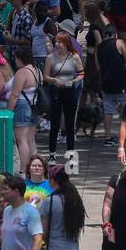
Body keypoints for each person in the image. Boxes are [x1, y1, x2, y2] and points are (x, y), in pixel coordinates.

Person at [44, 22, 84, 158]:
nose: (57, 45)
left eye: (60, 42)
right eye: (56, 42)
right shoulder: (51, 58)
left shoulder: (74, 57)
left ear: (66, 43)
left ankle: (71, 155)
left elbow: (81, 73)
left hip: (69, 91)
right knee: (54, 124)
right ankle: (52, 154)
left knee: (69, 124)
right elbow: (45, 76)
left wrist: (73, 81)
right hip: (56, 92)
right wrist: (54, 80)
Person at [5, 47, 42, 172]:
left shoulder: (22, 72)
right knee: (31, 140)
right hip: (35, 106)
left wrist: (8, 112)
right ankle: (34, 168)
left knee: (22, 141)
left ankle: (23, 170)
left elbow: (15, 94)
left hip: (22, 107)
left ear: (19, 58)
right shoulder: (37, 70)